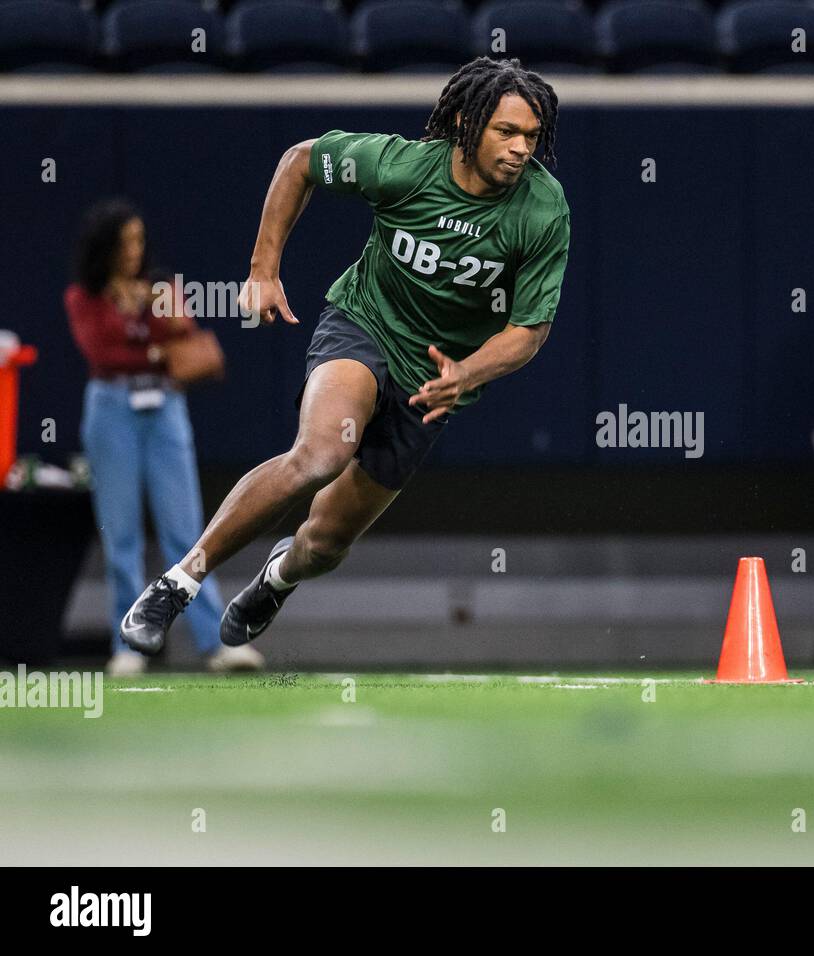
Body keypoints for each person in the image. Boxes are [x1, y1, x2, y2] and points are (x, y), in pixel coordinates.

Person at [117, 57, 570, 655]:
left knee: (326, 544)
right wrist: (262, 269)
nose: (520, 149)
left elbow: (528, 329)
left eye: (531, 137)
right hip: (364, 327)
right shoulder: (404, 166)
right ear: (466, 121)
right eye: (505, 132)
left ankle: (274, 580)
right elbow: (300, 161)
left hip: (433, 382)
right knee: (320, 455)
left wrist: (468, 371)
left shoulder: (542, 208)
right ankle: (177, 583)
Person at [65, 199, 263, 674]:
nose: (134, 250)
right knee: (122, 534)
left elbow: (187, 336)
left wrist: (153, 342)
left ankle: (216, 643)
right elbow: (103, 350)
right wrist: (156, 346)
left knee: (187, 531)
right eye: (123, 242)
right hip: (111, 410)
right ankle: (128, 644)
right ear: (105, 247)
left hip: (166, 409)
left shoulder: (162, 286)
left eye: (138, 240)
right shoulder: (83, 295)